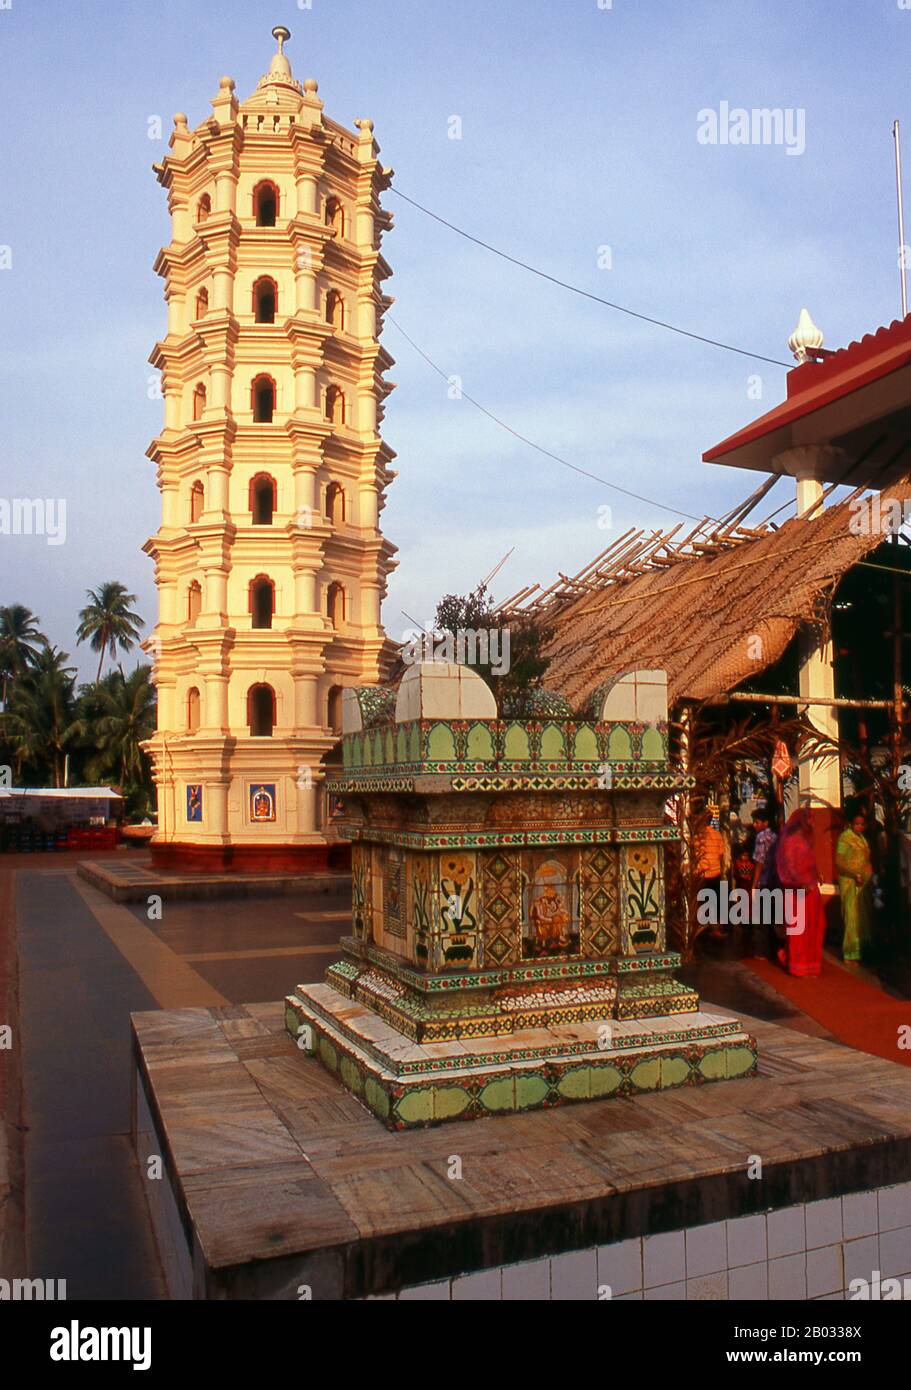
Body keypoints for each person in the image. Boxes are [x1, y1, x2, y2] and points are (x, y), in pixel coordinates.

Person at [775, 807, 825, 977]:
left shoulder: (806, 838)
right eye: (808, 819)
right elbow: (788, 866)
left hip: (811, 890)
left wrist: (817, 874)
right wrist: (799, 884)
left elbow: (809, 861)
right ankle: (797, 965)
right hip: (797, 892)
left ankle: (811, 964)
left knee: (815, 925)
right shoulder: (790, 841)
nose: (811, 823)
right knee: (799, 929)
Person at [836, 804, 874, 962]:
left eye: (861, 824)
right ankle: (850, 954)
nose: (859, 826)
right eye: (856, 824)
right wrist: (853, 874)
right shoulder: (845, 837)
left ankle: (862, 951)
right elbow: (839, 861)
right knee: (851, 917)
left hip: (863, 885)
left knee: (862, 918)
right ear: (851, 824)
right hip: (849, 882)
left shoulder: (862, 839)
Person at [696, 819, 727, 939]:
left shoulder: (698, 837)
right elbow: (720, 854)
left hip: (701, 874)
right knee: (714, 903)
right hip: (715, 873)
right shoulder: (717, 834)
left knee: (701, 903)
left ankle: (701, 930)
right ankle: (715, 930)